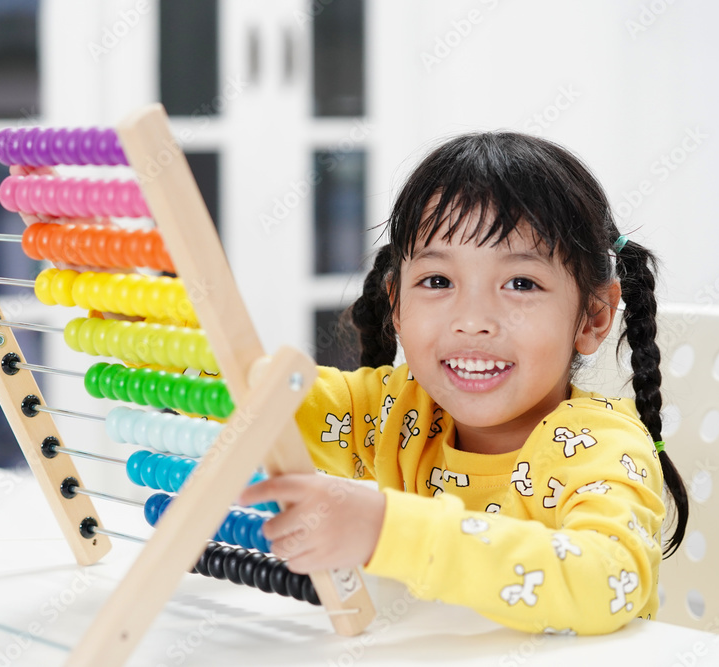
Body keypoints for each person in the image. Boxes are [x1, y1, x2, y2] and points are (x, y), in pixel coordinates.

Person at [240, 131, 689, 635]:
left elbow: (606, 579)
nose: (472, 320)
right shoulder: (398, 410)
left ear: (593, 316)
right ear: (397, 304)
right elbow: (254, 402)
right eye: (438, 281)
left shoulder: (599, 449)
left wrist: (392, 531)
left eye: (521, 284)